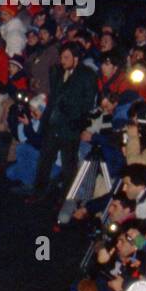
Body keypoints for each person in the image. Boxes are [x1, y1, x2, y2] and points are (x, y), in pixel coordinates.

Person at [30, 42, 98, 201]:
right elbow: (53, 96)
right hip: (53, 123)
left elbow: (87, 103)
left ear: (76, 58)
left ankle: (64, 199)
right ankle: (38, 192)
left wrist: (71, 112)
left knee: (69, 166)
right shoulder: (56, 71)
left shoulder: (87, 75)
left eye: (66, 57)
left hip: (70, 126)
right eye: (61, 57)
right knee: (44, 160)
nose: (63, 61)